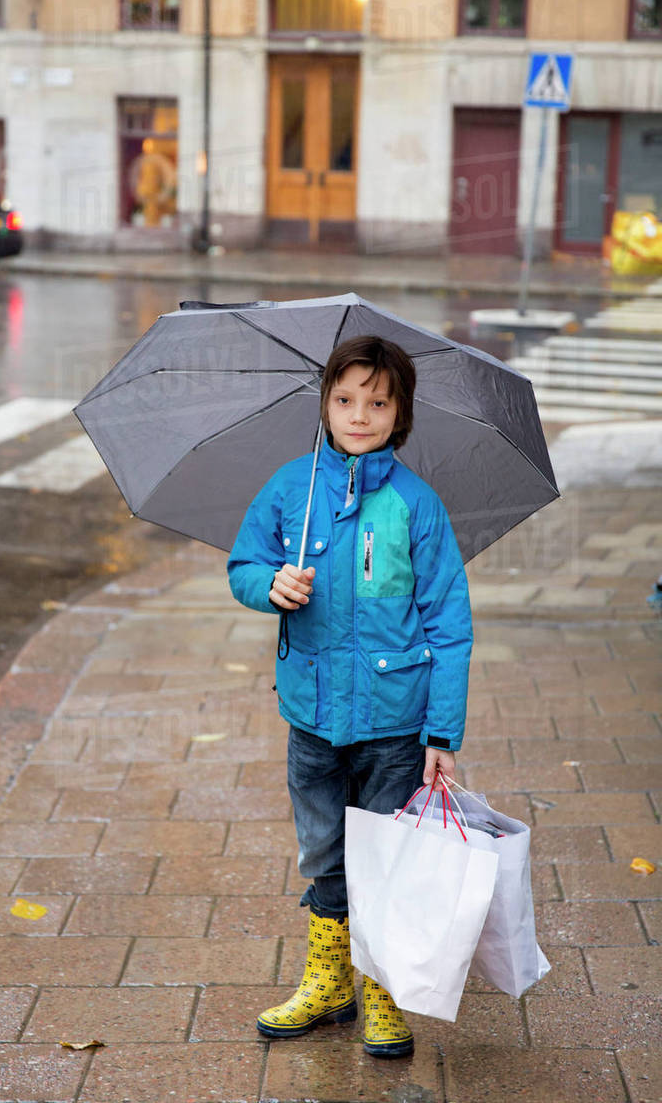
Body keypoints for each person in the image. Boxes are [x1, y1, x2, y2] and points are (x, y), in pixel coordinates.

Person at [227, 334, 473, 1058]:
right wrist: (269, 585)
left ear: (400, 416)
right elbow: (245, 561)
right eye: (344, 399)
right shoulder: (289, 489)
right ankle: (330, 983)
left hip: (394, 726)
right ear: (325, 406)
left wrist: (442, 734)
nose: (358, 414)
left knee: (385, 859)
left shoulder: (415, 506)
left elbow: (449, 624)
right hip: (311, 718)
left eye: (377, 402)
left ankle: (383, 993)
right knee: (325, 856)